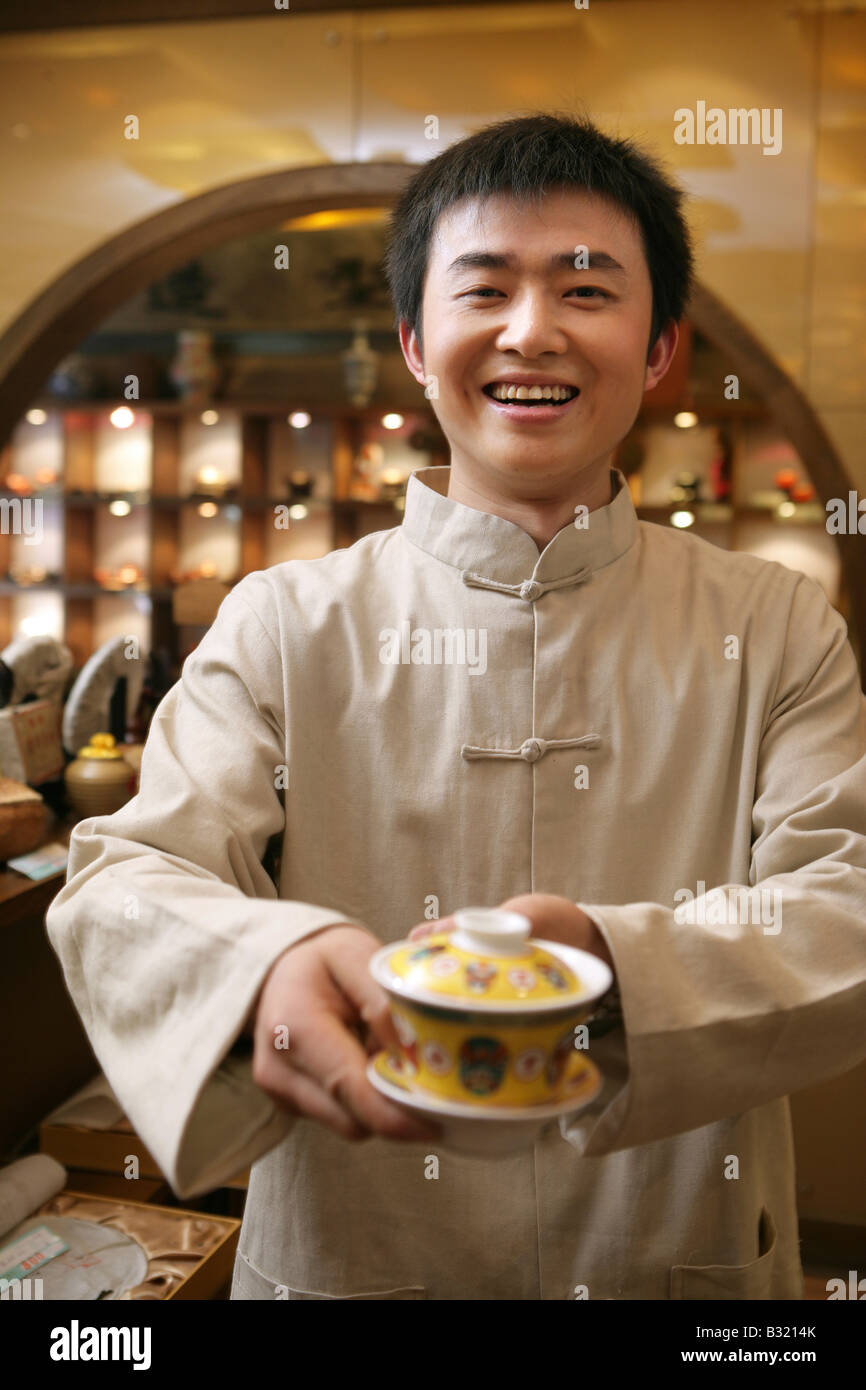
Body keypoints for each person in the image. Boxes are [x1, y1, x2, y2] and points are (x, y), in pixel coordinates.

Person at [46, 113, 866, 1301]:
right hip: (352, 1249)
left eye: (585, 289)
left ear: (656, 350)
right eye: (483, 287)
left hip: (672, 1248)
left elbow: (846, 903)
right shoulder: (284, 620)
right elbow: (123, 882)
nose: (531, 329)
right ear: (416, 342)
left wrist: (611, 967)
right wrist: (265, 963)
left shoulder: (778, 624)